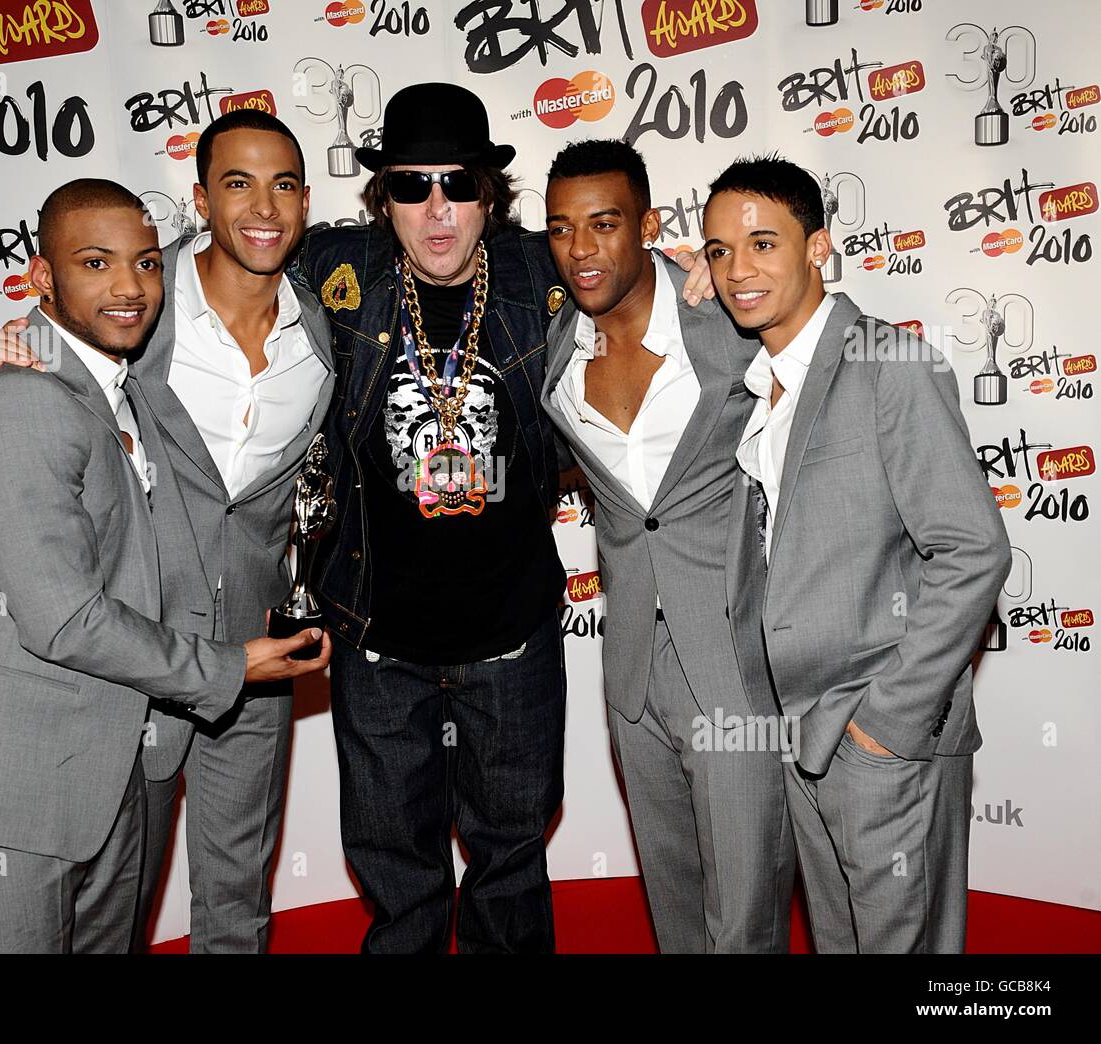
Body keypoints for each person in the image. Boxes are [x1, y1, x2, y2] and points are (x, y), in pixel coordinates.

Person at [0, 111, 333, 952]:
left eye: (283, 183)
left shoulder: (325, 325)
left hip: (253, 653)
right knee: (104, 910)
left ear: (304, 201)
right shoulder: (131, 319)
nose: (263, 205)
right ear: (199, 202)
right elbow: (30, 413)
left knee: (234, 901)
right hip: (127, 670)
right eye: (237, 183)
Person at [701, 154, 1011, 953]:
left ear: (819, 248)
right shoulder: (761, 380)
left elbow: (973, 552)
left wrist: (886, 726)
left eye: (764, 244)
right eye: (719, 250)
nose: (739, 269)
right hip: (800, 737)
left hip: (878, 737)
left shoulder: (890, 367)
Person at [288, 82, 569, 953]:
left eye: (459, 183)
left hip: (511, 637)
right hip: (379, 643)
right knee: (396, 874)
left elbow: (639, 268)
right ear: (384, 199)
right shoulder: (338, 274)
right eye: (411, 185)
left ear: (492, 193)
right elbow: (201, 266)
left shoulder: (539, 273)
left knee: (510, 864)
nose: (437, 210)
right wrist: (26, 337)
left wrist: (702, 271)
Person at [540, 139, 794, 952]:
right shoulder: (557, 353)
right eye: (560, 228)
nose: (582, 248)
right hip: (634, 673)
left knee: (746, 911)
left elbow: (818, 334)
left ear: (648, 225)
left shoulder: (726, 318)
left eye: (605, 224)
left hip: (734, 660)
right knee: (674, 904)